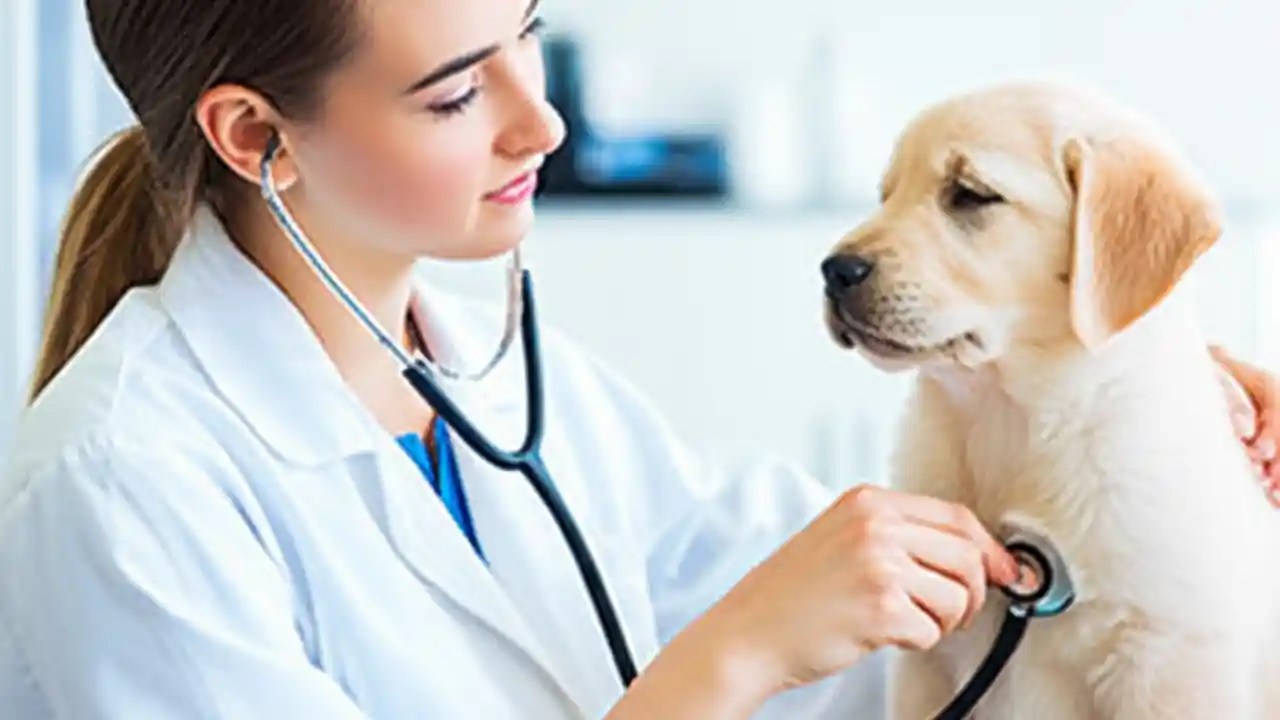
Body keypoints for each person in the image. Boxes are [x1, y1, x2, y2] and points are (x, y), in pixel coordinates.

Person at [0, 1, 1273, 718]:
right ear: (254, 134)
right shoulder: (125, 492)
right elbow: (760, 639)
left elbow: (895, 645)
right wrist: (727, 664)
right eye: (455, 93)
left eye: (528, 34)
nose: (541, 119)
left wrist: (1141, 421)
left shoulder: (515, 392)